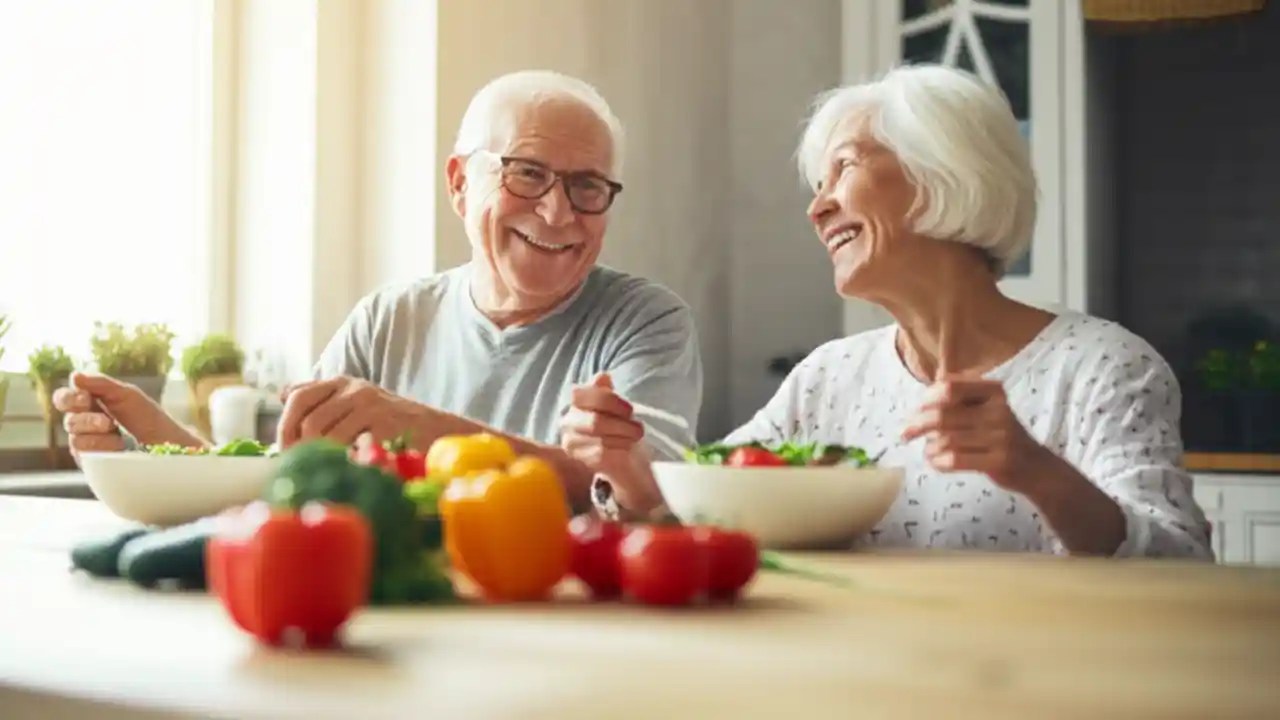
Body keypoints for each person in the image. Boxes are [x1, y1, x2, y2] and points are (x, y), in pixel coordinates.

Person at [564, 64, 1212, 558]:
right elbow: (709, 517)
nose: (817, 209)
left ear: (942, 170)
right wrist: (631, 476)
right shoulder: (830, 377)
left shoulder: (1103, 366)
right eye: (817, 186)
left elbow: (1181, 562)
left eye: (842, 169)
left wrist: (1035, 472)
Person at [54, 69, 703, 509]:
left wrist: (420, 427)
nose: (559, 213)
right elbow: (287, 485)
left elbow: (647, 494)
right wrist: (153, 454)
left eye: (587, 186)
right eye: (526, 173)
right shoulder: (388, 318)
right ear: (458, 183)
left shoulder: (645, 321)